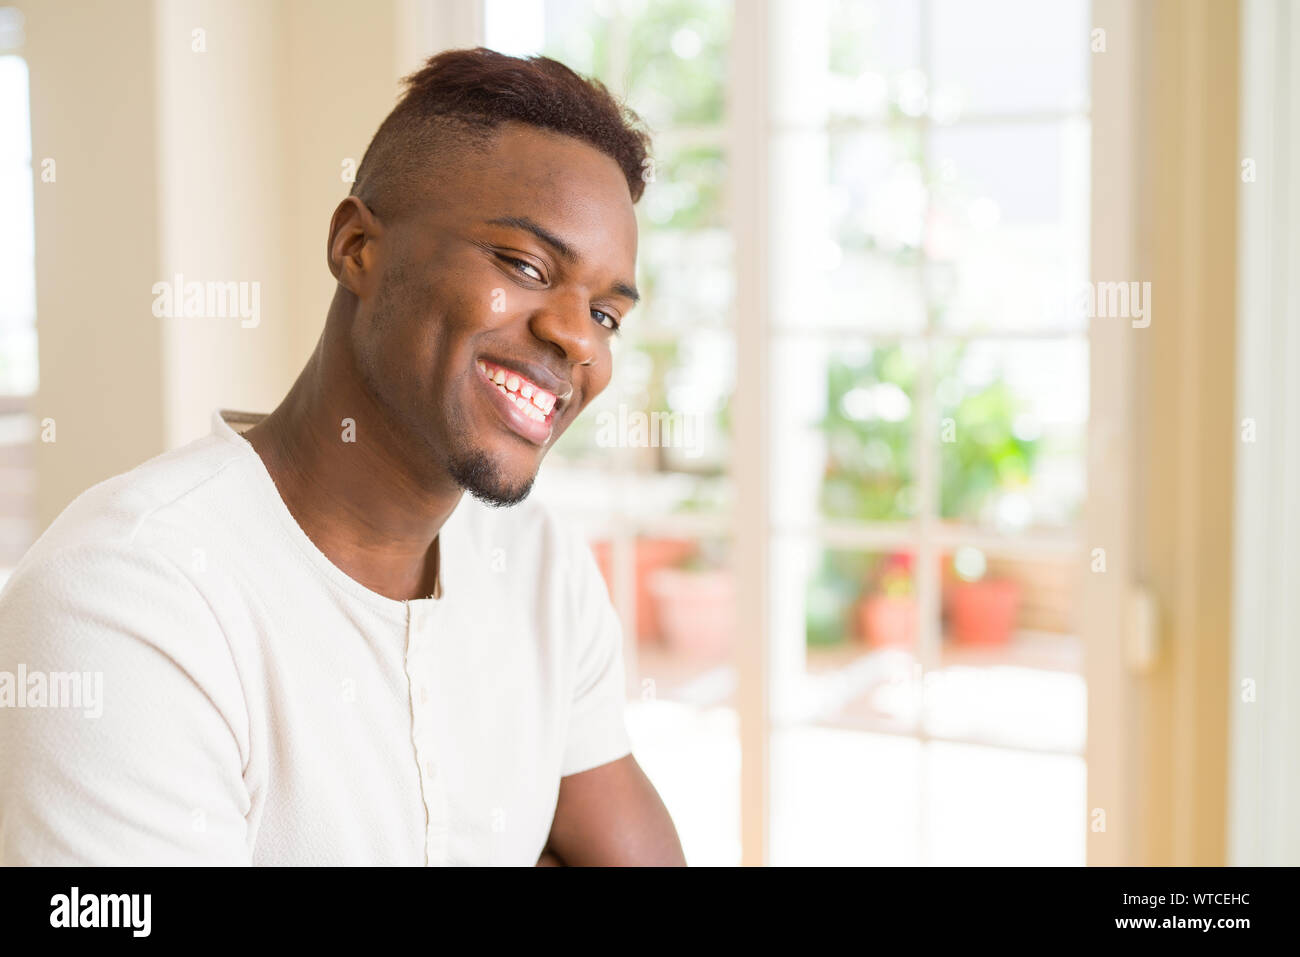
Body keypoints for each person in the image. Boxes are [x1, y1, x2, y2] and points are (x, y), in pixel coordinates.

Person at [0, 47, 685, 866]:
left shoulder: (543, 568)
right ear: (357, 246)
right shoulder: (128, 595)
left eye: (607, 314)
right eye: (525, 265)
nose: (577, 338)